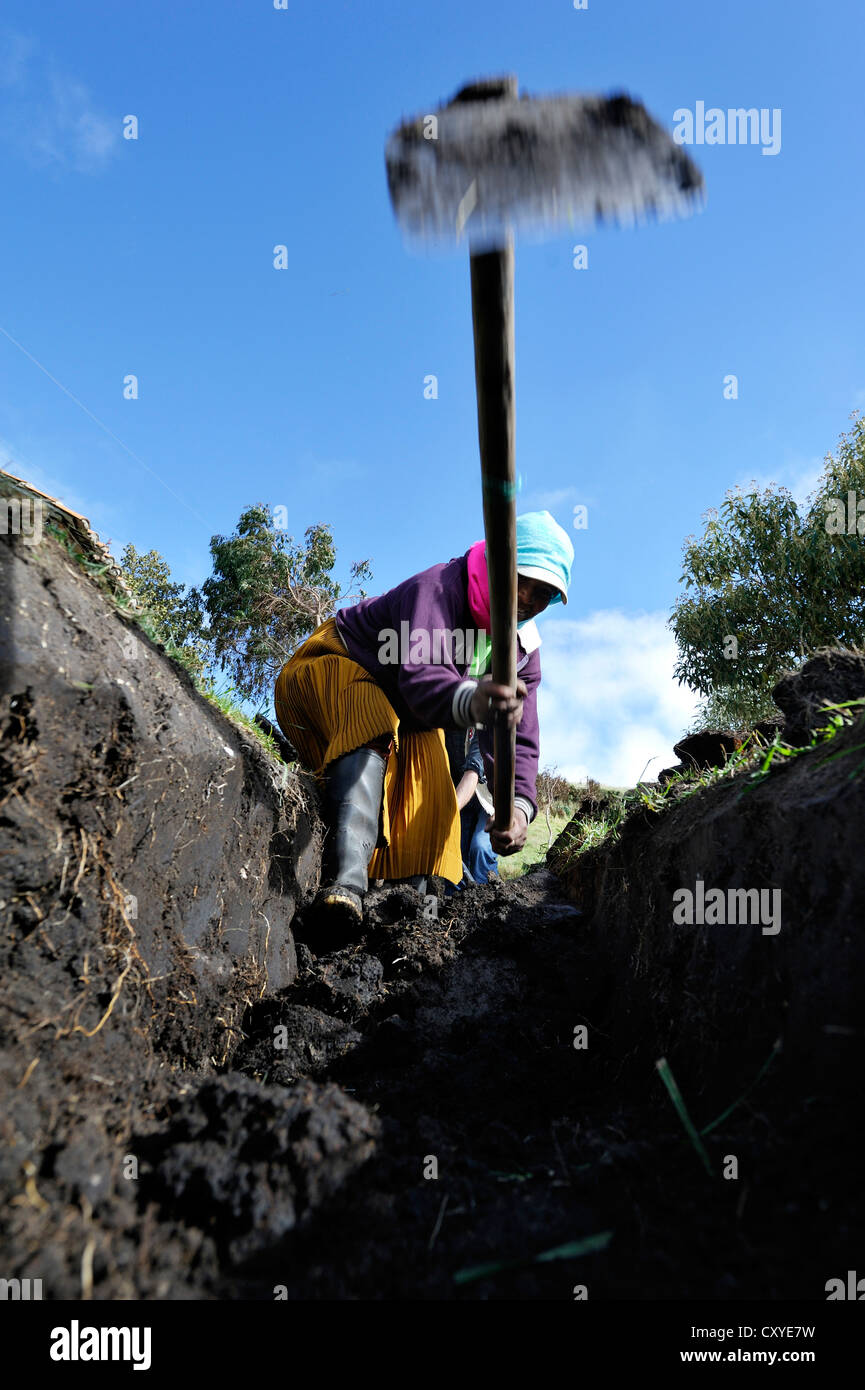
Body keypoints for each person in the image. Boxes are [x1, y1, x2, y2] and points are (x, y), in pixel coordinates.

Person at [274, 509, 573, 943]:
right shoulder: (440, 589)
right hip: (331, 669)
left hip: (406, 713)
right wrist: (474, 700)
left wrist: (518, 807)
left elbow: (519, 737)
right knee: (368, 716)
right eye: (522, 579)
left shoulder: (524, 651)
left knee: (436, 794)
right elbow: (420, 677)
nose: (528, 598)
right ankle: (346, 889)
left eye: (544, 593)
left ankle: (402, 917)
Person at [445, 727, 499, 886]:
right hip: (458, 796)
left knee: (481, 847)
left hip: (488, 798)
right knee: (455, 852)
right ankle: (453, 903)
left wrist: (447, 815)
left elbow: (474, 770)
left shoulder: (481, 721)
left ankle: (486, 900)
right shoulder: (441, 723)